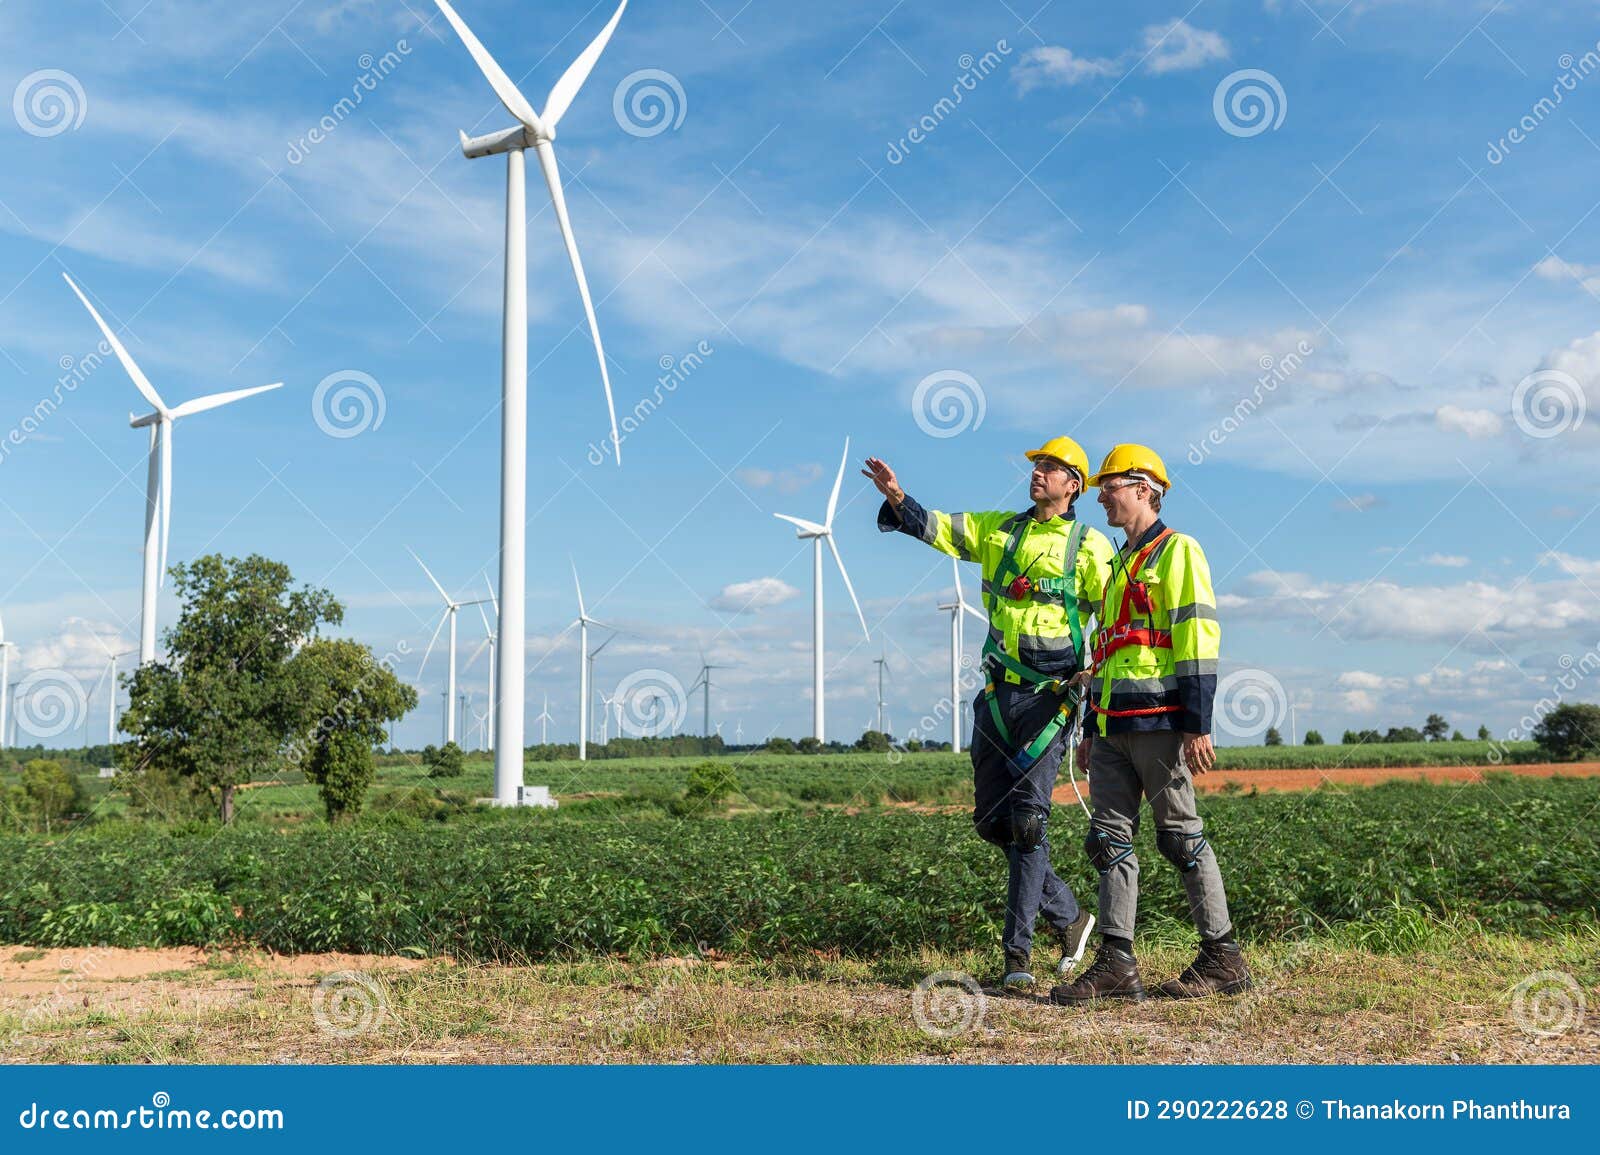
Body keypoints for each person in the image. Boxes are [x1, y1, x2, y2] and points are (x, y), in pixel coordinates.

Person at [863, 438, 1114, 994]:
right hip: (998, 697)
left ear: (1073, 484)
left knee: (1029, 824)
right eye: (1036, 466)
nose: (1037, 473)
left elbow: (1114, 623)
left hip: (1051, 700)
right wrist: (898, 497)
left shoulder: (1092, 548)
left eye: (1049, 467)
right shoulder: (998, 530)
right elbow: (938, 529)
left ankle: (1016, 960)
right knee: (991, 822)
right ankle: (1070, 915)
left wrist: (1092, 685)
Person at [1049, 444, 1252, 1004]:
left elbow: (1196, 635)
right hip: (1112, 726)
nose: (1100, 498)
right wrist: (1091, 729)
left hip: (1160, 720)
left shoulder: (1178, 550)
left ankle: (1224, 958)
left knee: (1180, 837)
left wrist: (1197, 722)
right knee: (1107, 841)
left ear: (1144, 489)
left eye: (1109, 486)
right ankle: (1117, 965)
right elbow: (1106, 651)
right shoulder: (1118, 565)